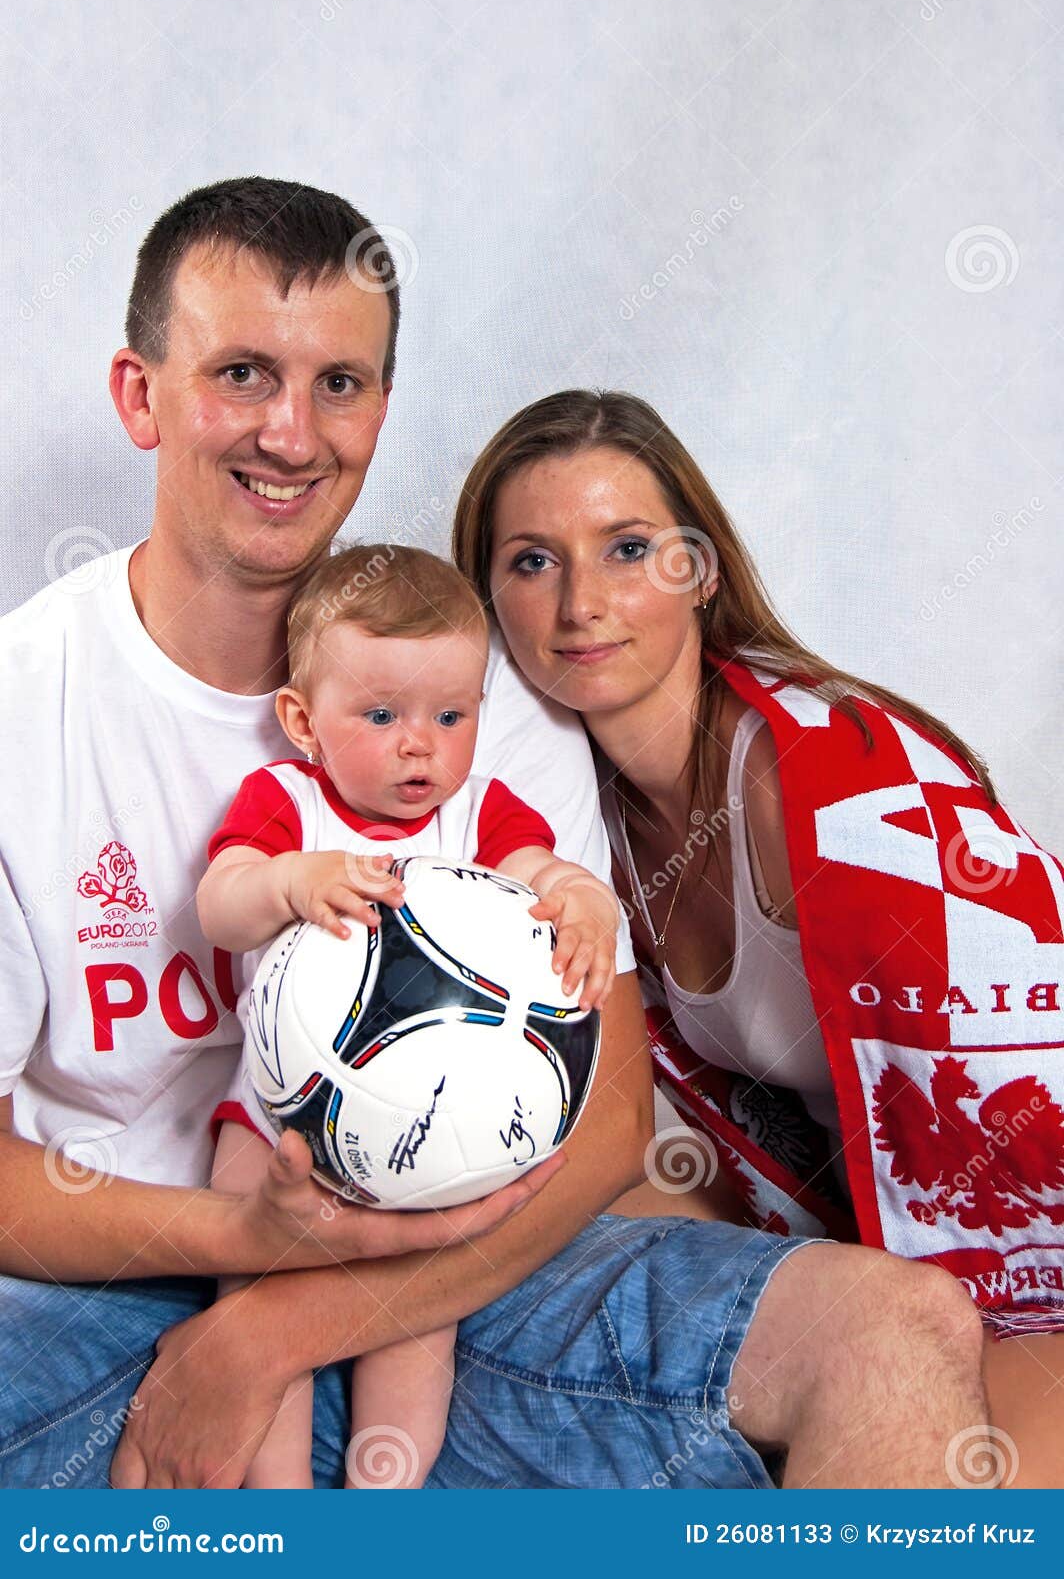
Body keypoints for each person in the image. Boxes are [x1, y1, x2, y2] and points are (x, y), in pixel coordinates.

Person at [0, 179, 987, 1492]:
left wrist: (291, 1319)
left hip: (461, 1269)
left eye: (338, 382)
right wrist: (249, 1242)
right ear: (142, 394)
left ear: (380, 411)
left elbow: (612, 1105)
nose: (291, 432)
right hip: (115, 1288)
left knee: (898, 1329)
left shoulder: (479, 697)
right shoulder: (28, 707)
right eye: (242, 372)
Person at [452, 385, 1064, 1489]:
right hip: (859, 1240)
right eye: (532, 562)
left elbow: (1021, 1108)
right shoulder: (566, 817)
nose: (581, 602)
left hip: (1018, 1243)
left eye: (626, 548)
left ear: (700, 572)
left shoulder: (833, 793)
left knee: (944, 1491)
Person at [199, 542, 619, 1488]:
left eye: (450, 714)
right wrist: (287, 881)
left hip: (439, 1137)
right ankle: (279, 1506)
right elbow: (219, 907)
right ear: (303, 721)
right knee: (264, 1300)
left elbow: (538, 876)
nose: (419, 743)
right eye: (380, 715)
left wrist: (585, 898)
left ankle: (384, 1494)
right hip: (280, 1121)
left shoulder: (478, 818)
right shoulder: (287, 806)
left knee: (413, 1321)